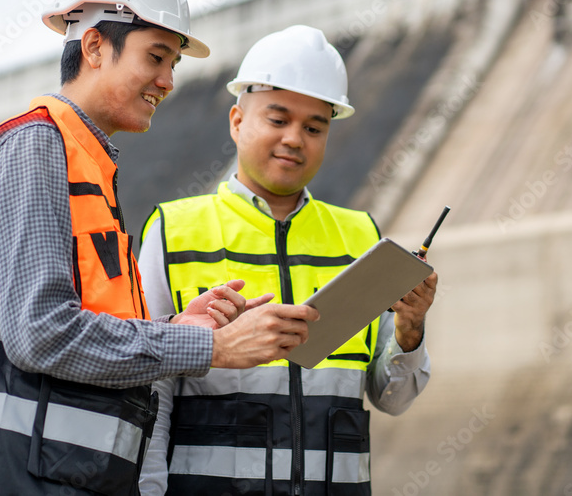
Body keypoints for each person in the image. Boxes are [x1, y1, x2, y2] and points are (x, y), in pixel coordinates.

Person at [0, 0, 319, 496]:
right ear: (95, 46)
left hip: (71, 477)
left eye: (173, 64)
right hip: (22, 479)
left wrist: (182, 329)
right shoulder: (35, 146)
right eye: (157, 57)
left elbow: (85, 328)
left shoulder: (89, 165)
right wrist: (213, 350)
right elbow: (42, 334)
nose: (168, 81)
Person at [138, 25, 438, 495]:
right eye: (278, 120)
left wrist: (410, 330)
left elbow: (393, 398)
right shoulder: (174, 232)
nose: (295, 139)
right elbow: (148, 391)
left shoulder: (360, 236)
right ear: (237, 121)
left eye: (314, 127)